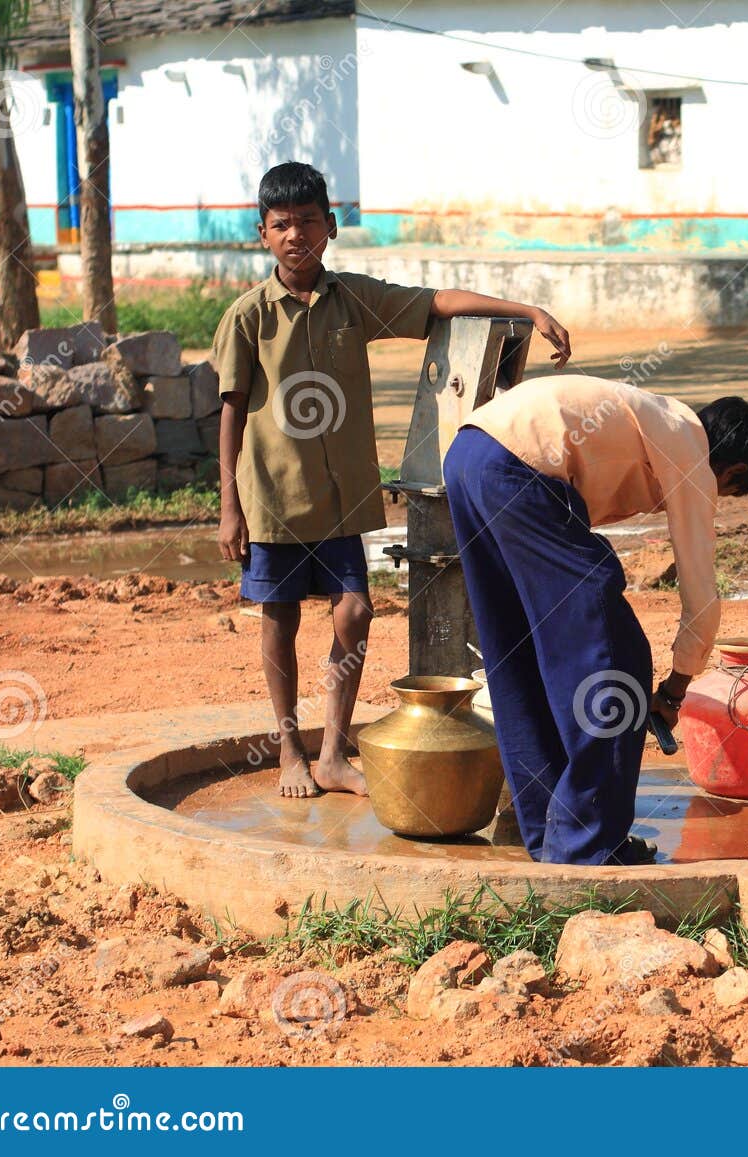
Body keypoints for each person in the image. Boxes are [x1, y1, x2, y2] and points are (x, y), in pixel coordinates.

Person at [214, 160, 571, 800]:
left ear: (330, 226)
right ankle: (289, 749)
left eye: (308, 222)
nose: (296, 235)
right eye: (282, 225)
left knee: (355, 612)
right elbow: (231, 413)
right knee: (279, 620)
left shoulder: (353, 299)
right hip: (272, 498)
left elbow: (436, 303)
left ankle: (332, 754)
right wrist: (229, 507)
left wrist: (527, 310)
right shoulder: (248, 317)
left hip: (341, 502)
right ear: (262, 233)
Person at [444, 376, 748, 865]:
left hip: (468, 456)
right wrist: (674, 690)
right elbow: (700, 592)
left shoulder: (657, 422)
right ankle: (591, 846)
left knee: (519, 648)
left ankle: (551, 833)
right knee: (615, 655)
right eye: (725, 490)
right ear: (733, 470)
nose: (713, 496)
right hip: (518, 468)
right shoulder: (691, 452)